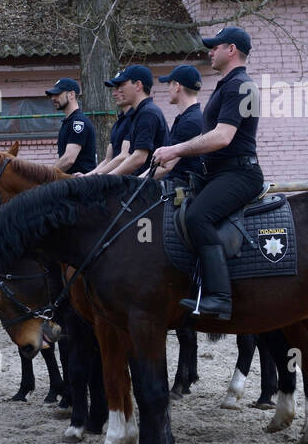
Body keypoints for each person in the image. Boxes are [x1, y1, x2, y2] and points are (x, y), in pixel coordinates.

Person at [152, 27, 265, 320]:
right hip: (219, 173)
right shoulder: (229, 84)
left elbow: (223, 136)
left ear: (231, 50)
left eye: (215, 47)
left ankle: (220, 297)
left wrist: (175, 150)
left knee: (196, 216)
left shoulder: (241, 85)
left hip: (239, 173)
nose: (210, 52)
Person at [152, 65, 206, 188]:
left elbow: (166, 166)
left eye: (169, 84)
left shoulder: (191, 121)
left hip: (181, 190)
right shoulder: (188, 117)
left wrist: (134, 184)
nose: (168, 89)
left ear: (177, 86)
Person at [44, 78, 97, 174]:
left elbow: (68, 159)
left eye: (57, 94)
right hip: (72, 182)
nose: (53, 98)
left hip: (82, 184)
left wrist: (47, 176)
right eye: (52, 95)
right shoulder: (69, 121)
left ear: (71, 95)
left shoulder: (78, 122)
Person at [86, 76, 132, 176]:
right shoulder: (119, 122)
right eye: (114, 89)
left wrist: (94, 176)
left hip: (135, 182)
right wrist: (89, 175)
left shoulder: (135, 119)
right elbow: (108, 159)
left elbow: (124, 156)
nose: (114, 94)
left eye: (119, 89)